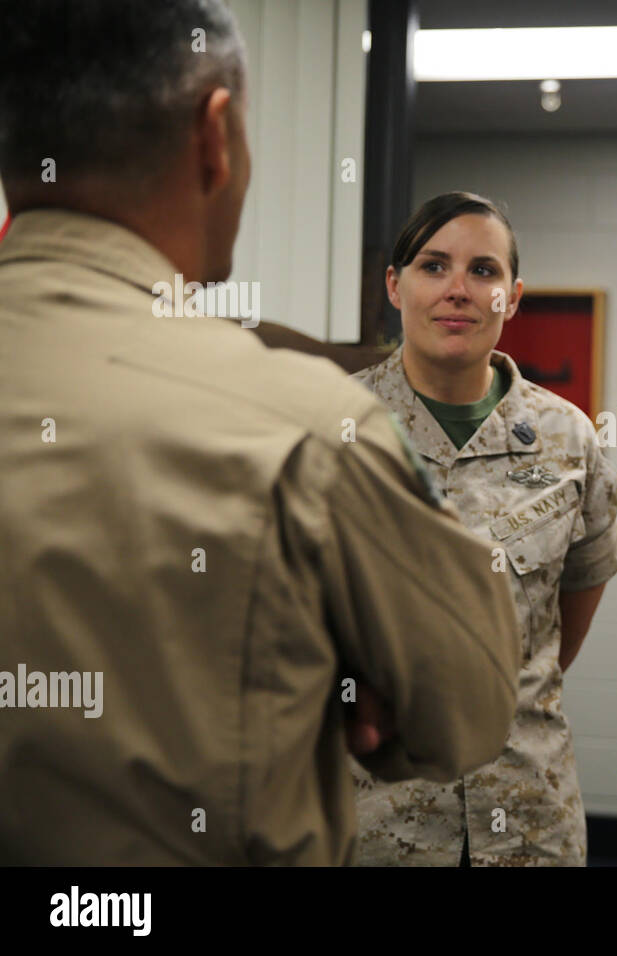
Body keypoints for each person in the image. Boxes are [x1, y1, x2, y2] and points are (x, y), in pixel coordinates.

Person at [0, 0, 519, 865]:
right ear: (215, 137)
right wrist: (336, 676)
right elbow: (469, 703)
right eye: (433, 266)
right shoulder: (307, 430)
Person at [350, 192, 617, 866]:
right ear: (395, 285)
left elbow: (563, 626)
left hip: (529, 819)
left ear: (513, 296)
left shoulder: (567, 439)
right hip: (373, 822)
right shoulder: (334, 427)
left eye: (483, 270)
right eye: (433, 266)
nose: (458, 289)